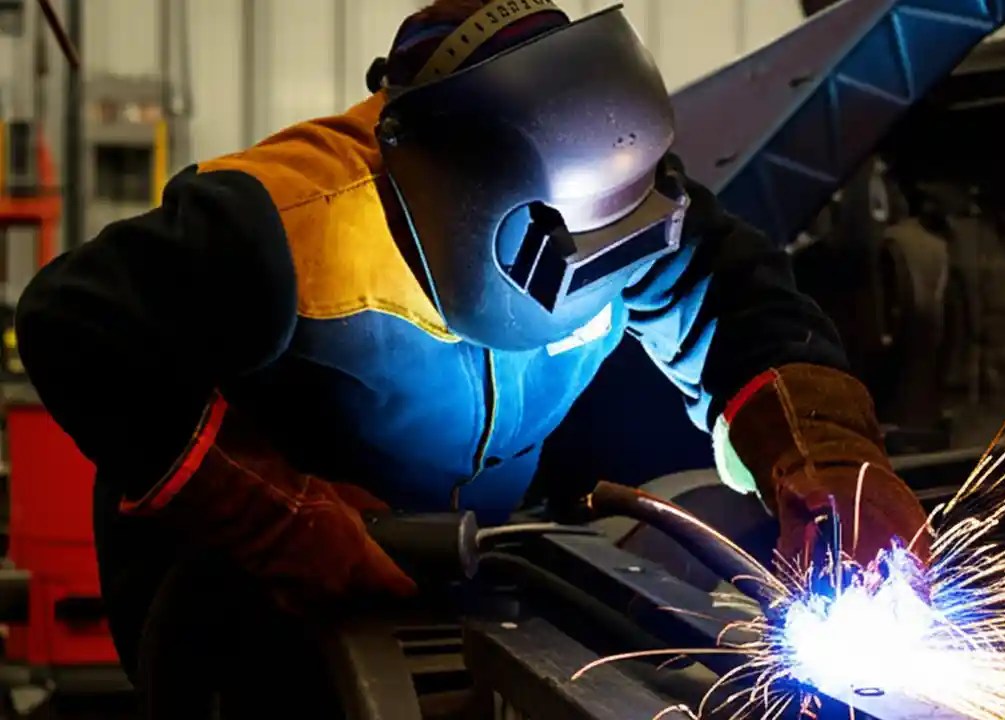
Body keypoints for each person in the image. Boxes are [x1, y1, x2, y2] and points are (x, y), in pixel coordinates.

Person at [15, 0, 930, 710]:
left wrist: (831, 463)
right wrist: (280, 515)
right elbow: (72, 320)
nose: (603, 268)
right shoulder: (287, 222)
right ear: (468, 197)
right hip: (247, 600)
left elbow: (739, 307)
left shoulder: (628, 203)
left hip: (463, 568)